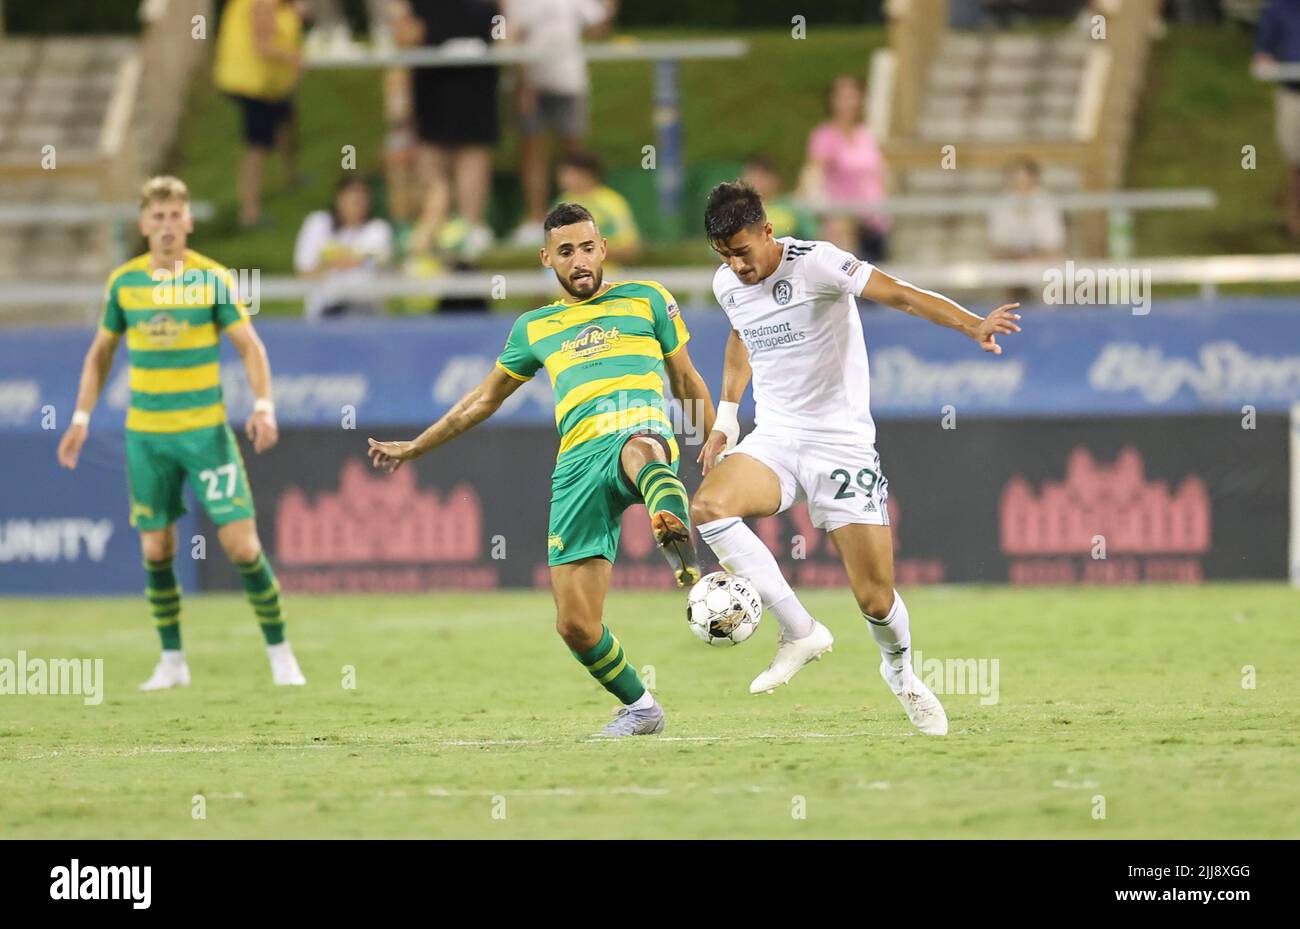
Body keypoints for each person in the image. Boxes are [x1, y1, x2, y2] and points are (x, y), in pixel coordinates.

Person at [368, 203, 715, 737]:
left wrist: (713, 442)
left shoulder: (649, 299)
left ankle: (680, 550)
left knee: (641, 452)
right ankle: (642, 708)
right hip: (576, 464)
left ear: (603, 248)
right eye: (566, 251)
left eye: (587, 247)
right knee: (576, 625)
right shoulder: (534, 326)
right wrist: (416, 447)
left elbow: (687, 380)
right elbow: (481, 401)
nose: (579, 260)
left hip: (636, 428)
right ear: (547, 258)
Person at [691, 181, 1023, 736]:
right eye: (725, 257)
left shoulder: (819, 263)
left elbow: (901, 294)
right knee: (709, 507)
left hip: (840, 443)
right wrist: (727, 419)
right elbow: (739, 337)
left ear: (768, 231)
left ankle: (902, 674)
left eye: (744, 252)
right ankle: (799, 630)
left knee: (874, 597)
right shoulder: (728, 282)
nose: (737, 267)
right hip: (775, 436)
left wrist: (973, 324)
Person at [56, 176, 306, 690]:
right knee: (156, 549)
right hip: (147, 436)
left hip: (204, 433)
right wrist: (80, 417)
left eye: (176, 216)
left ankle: (281, 653)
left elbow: (251, 347)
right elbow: (99, 354)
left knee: (241, 545)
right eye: (158, 217)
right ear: (144, 223)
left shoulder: (212, 280)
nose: (167, 226)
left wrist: (263, 405)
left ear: (189, 221)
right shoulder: (124, 283)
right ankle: (172, 661)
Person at [394, 0, 500, 258]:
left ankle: (472, 229)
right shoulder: (421, 6)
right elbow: (404, 38)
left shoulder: (486, 7)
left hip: (476, 93)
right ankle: (429, 232)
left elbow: (502, 38)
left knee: (472, 158)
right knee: (433, 166)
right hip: (433, 93)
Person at [505, 0, 617, 246]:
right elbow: (515, 36)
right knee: (534, 151)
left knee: (573, 152)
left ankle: (579, 217)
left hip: (570, 81)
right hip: (533, 84)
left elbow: (597, 28)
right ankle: (535, 221)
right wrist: (523, 85)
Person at [213, 0, 305, 228]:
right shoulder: (262, 3)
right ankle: (250, 213)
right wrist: (293, 58)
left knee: (287, 119)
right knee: (256, 146)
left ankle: (291, 177)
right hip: (253, 84)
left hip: (264, 83)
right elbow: (262, 45)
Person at [799, 74, 889, 261]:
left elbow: (878, 175)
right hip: (845, 228)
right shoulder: (825, 136)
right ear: (832, 101)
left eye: (853, 96)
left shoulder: (866, 135)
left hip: (875, 223)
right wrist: (823, 212)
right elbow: (813, 174)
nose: (849, 103)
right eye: (844, 98)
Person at [293, 175, 395, 319]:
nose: (357, 201)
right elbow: (305, 270)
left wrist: (333, 262)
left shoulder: (378, 229)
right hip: (326, 311)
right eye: (351, 195)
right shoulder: (318, 223)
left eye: (362, 196)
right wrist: (350, 260)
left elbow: (379, 264)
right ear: (338, 198)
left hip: (366, 312)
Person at [1255, 0, 1300, 240]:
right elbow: (1263, 51)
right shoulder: (1280, 8)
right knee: (1294, 162)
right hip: (1292, 93)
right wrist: (1264, 61)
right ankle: (1295, 223)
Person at [554, 150, 641, 263]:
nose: (562, 179)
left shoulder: (611, 204)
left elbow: (631, 248)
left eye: (568, 173)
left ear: (586, 174)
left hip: (606, 275)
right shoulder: (561, 203)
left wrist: (587, 251)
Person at [742, 155, 819, 241]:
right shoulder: (739, 212)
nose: (756, 180)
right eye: (752, 174)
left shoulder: (792, 208)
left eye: (762, 176)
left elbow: (813, 238)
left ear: (775, 179)